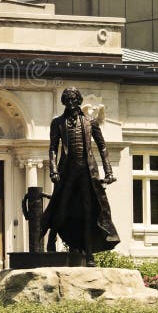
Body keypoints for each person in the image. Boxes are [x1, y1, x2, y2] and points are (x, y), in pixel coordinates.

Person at [41, 87, 120, 266]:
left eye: (73, 99)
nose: (70, 102)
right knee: (60, 207)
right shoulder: (58, 123)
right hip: (66, 172)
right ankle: (51, 238)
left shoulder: (90, 122)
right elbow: (53, 148)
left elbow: (103, 147)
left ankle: (89, 253)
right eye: (67, 99)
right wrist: (53, 169)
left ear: (79, 100)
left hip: (87, 172)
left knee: (89, 211)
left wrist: (108, 171)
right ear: (64, 101)